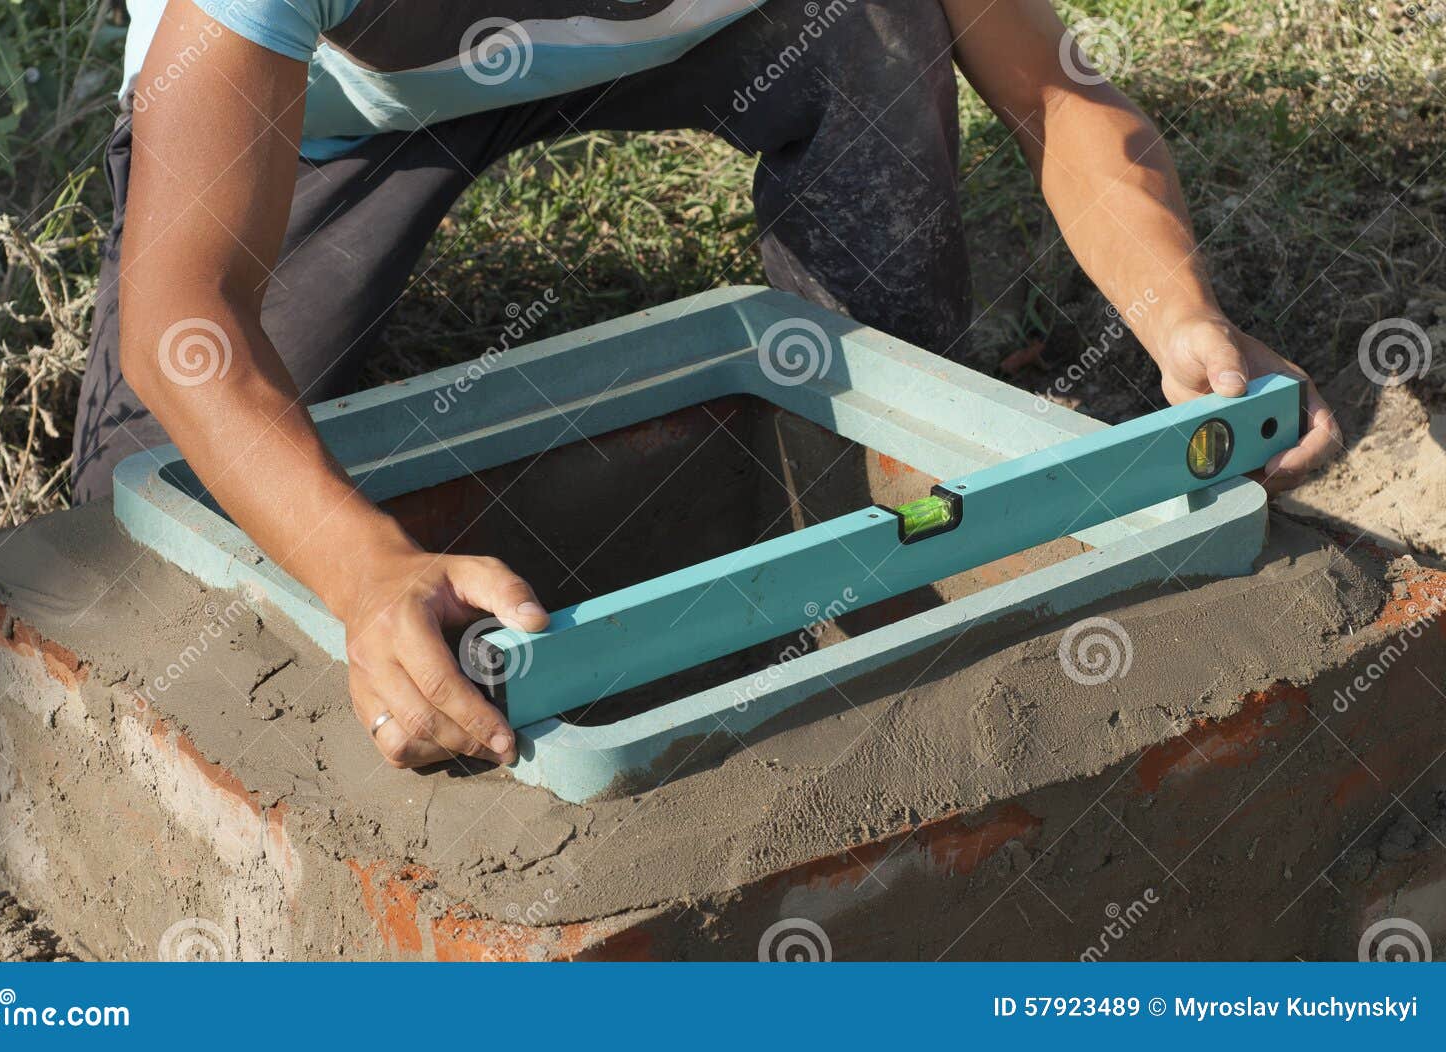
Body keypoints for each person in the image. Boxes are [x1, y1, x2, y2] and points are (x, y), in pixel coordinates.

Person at [73, 0, 1341, 770]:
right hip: (346, 108)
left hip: (725, 37)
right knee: (151, 509)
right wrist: (359, 566)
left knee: (873, 22)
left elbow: (1051, 86)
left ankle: (878, 449)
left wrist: (1184, 317)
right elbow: (187, 317)